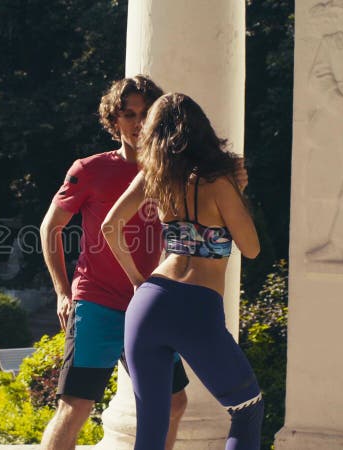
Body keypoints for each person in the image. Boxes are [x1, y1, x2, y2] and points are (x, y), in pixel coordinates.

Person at [102, 92, 263, 450]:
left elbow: (110, 226)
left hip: (149, 303)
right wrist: (238, 191)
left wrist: (136, 280)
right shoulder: (220, 183)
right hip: (196, 306)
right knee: (246, 409)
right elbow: (251, 248)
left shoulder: (154, 178)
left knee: (151, 429)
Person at [39, 75, 190, 450]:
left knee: (174, 404)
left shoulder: (166, 172)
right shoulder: (89, 170)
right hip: (98, 304)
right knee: (75, 408)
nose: (138, 123)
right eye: (128, 114)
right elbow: (50, 228)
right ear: (113, 120)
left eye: (145, 114)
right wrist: (62, 292)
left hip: (146, 306)